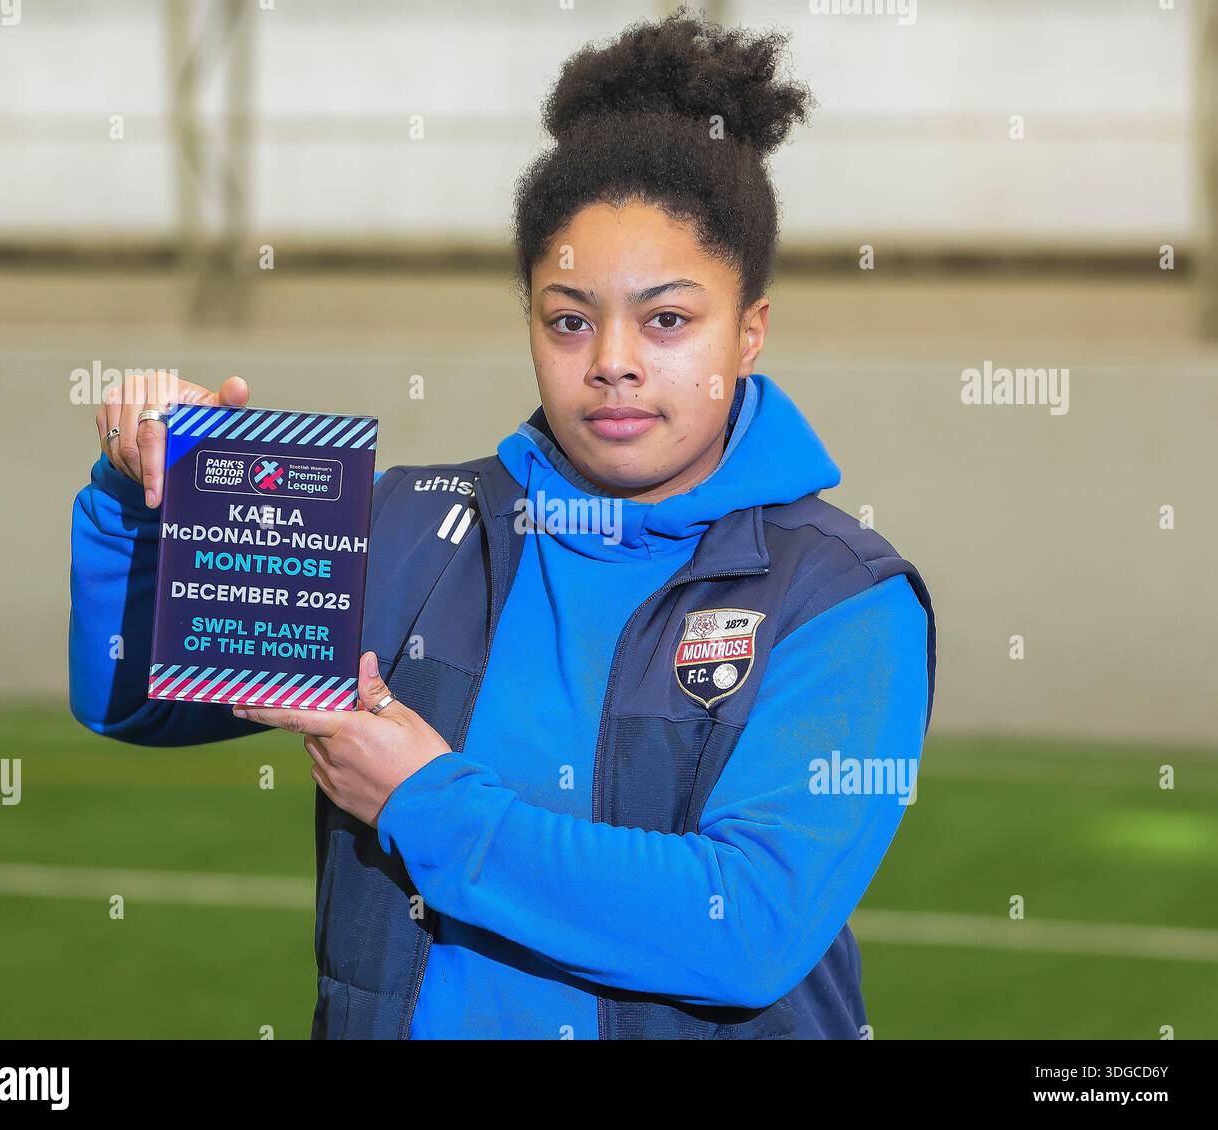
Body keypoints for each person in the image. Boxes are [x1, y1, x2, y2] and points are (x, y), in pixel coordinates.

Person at [69, 6, 936, 1040]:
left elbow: (743, 924)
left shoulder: (840, 595)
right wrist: (147, 496)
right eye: (568, 317)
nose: (611, 357)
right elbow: (132, 695)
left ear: (749, 331)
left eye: (666, 319)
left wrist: (427, 803)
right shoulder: (405, 527)